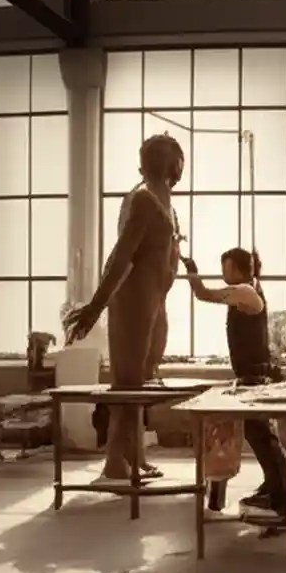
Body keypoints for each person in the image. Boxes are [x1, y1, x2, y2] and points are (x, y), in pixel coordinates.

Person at [64, 134, 183, 482]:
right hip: (133, 302)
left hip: (156, 302)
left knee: (143, 382)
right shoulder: (143, 200)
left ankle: (136, 455)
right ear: (164, 162)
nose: (179, 166)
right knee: (128, 383)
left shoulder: (167, 203)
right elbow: (121, 257)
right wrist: (95, 306)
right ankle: (115, 460)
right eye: (176, 158)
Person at [182, 248, 286, 525]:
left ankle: (285, 497)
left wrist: (191, 271)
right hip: (249, 375)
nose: (224, 273)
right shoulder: (246, 290)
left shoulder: (244, 291)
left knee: (261, 436)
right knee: (258, 436)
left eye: (227, 268)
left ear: (241, 270)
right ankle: (274, 486)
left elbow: (204, 294)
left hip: (257, 376)